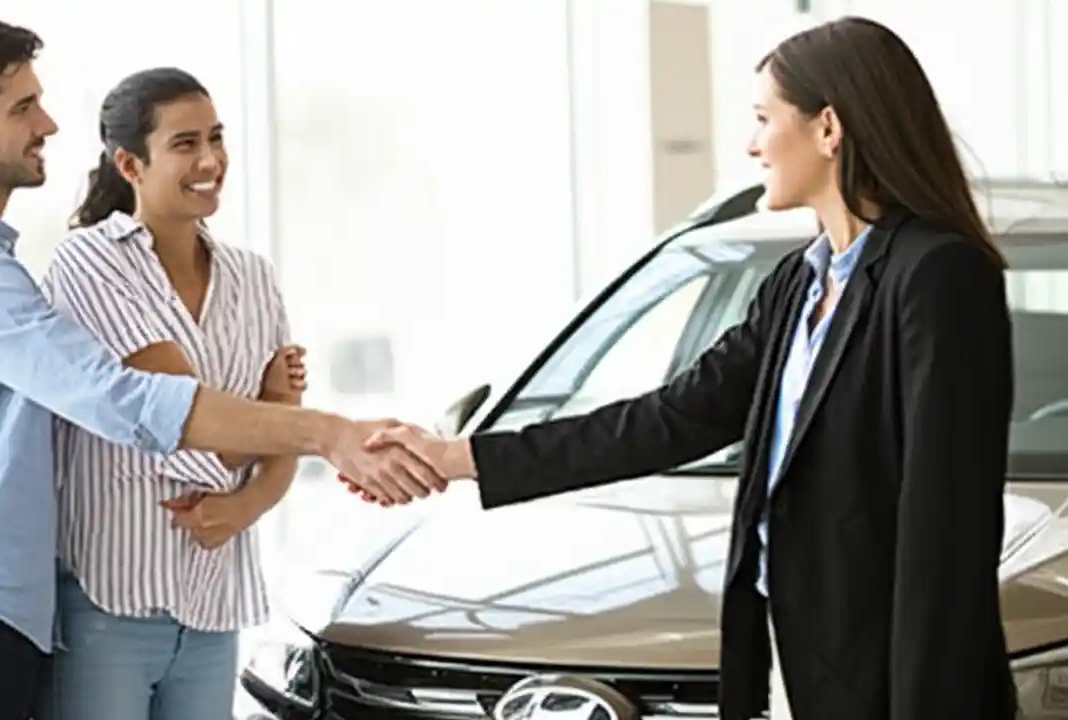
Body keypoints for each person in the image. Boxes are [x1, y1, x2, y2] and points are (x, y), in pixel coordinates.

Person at [365, 16, 1016, 720]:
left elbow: (945, 526)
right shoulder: (797, 284)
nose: (750, 143)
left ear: (829, 128)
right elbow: (671, 418)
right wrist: (458, 457)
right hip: (786, 657)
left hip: (889, 677)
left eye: (765, 118)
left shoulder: (938, 274)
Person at [0, 19, 442, 720]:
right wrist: (324, 431)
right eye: (22, 107)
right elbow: (123, 399)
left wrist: (275, 445)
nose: (47, 122)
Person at [40, 67, 301, 719]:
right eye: (185, 144)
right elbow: (174, 420)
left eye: (215, 137)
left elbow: (283, 436)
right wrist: (269, 414)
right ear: (130, 162)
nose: (210, 159)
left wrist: (250, 504)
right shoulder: (88, 263)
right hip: (109, 607)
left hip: (215, 607)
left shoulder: (253, 277)